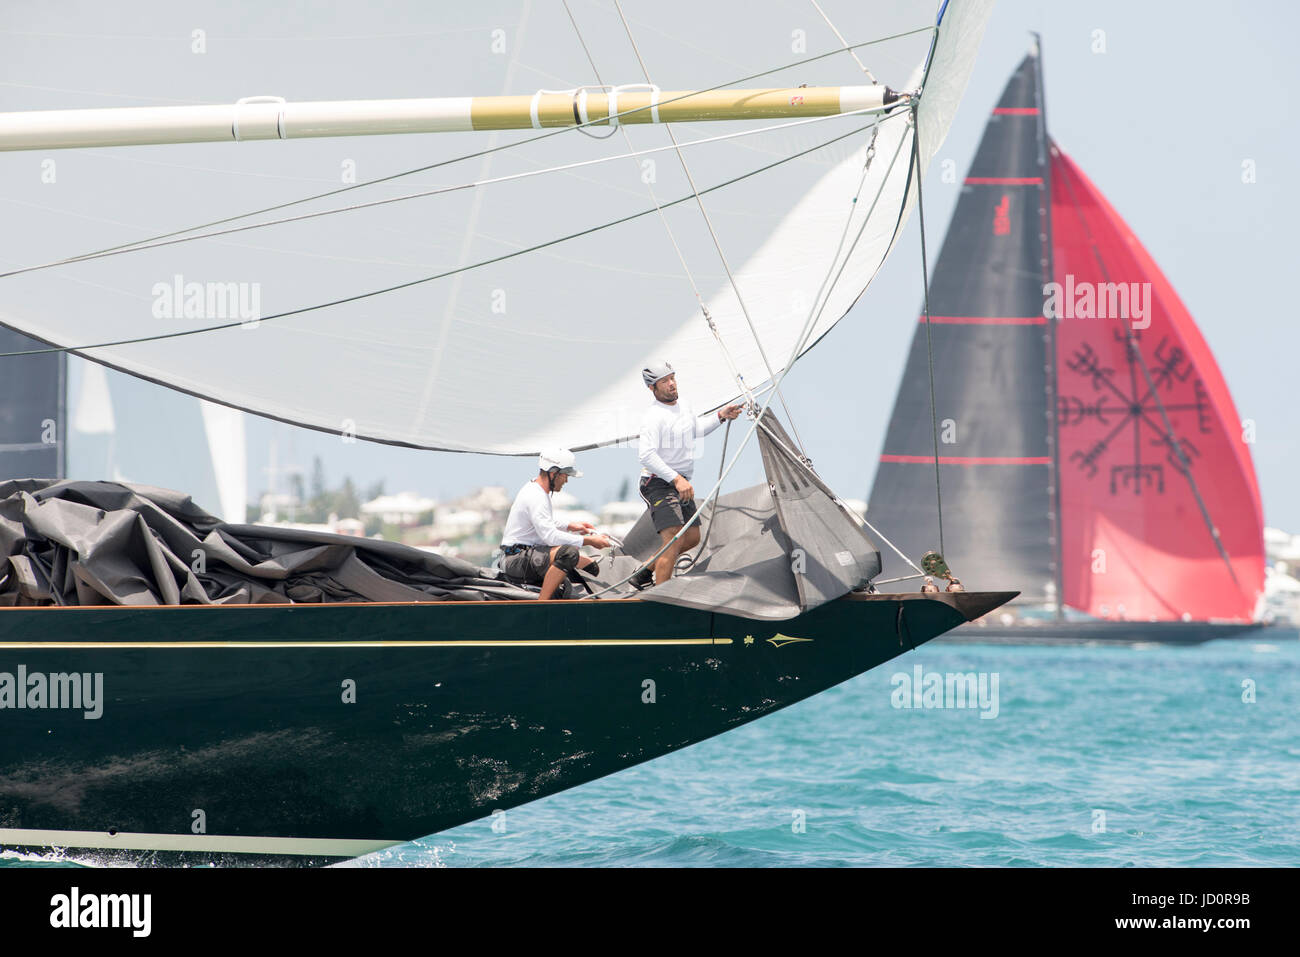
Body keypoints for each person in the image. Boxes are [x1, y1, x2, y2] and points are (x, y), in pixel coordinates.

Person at [633, 361, 743, 587]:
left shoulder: (684, 405)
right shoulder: (654, 416)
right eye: (664, 381)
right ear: (653, 388)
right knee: (673, 538)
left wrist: (721, 415)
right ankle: (660, 595)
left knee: (692, 538)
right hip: (657, 483)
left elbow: (696, 430)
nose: (671, 384)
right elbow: (646, 455)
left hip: (680, 482)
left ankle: (643, 573)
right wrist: (676, 479)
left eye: (672, 378)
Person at [500, 448, 612, 600]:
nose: (566, 481)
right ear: (553, 473)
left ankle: (560, 594)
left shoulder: (536, 489)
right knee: (569, 553)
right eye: (565, 476)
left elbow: (544, 521)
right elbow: (550, 537)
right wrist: (589, 541)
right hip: (516, 559)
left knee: (590, 568)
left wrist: (572, 525)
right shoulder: (536, 496)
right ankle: (543, 604)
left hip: (526, 556)